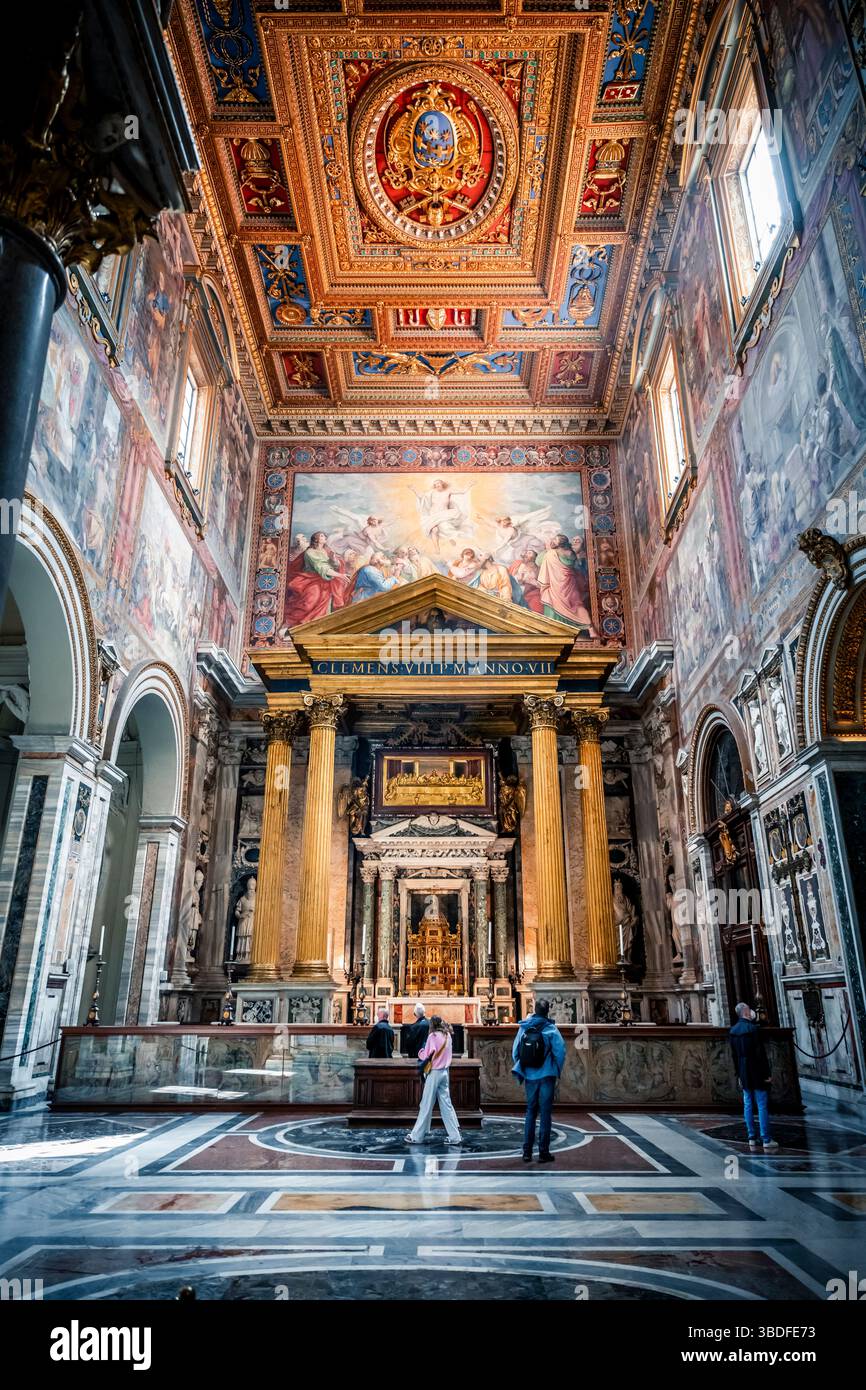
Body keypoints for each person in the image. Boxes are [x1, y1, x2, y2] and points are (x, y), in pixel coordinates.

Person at [512, 998, 566, 1163]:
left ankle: (527, 1152)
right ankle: (543, 1152)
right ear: (547, 1011)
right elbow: (560, 1052)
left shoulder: (525, 1027)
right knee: (545, 1114)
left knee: (530, 1112)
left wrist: (524, 1068)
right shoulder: (551, 1029)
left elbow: (515, 1051)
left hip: (530, 1076)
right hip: (547, 1076)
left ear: (534, 1009)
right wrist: (555, 1069)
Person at [405, 1015, 462, 1145]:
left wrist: (420, 1052)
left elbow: (426, 1054)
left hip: (435, 1072)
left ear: (432, 1025)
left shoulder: (433, 1036)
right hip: (445, 1072)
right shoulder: (448, 1035)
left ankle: (416, 1136)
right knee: (446, 1104)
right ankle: (455, 1136)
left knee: (426, 1104)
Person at [730, 1002, 779, 1152]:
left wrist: (738, 1073)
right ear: (746, 1012)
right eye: (749, 1010)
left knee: (748, 1104)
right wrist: (766, 1074)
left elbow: (734, 1056)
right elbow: (760, 1054)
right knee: (762, 1104)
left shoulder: (733, 1030)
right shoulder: (753, 1029)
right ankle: (766, 1139)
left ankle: (751, 1137)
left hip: (743, 1069)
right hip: (756, 1069)